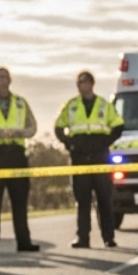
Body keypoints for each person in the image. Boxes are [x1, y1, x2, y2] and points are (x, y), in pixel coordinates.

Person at [0, 67, 40, 254]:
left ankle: (24, 241)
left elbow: (32, 127)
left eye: (5, 77)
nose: (2, 81)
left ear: (10, 80)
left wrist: (19, 133)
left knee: (20, 200)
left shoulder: (20, 103)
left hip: (16, 154)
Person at [53, 71, 124, 248]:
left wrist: (104, 142)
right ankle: (82, 238)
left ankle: (109, 237)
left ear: (92, 84)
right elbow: (59, 127)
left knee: (104, 199)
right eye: (79, 83)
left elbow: (118, 126)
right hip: (80, 157)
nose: (81, 85)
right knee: (82, 200)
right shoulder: (71, 105)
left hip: (100, 156)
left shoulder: (103, 105)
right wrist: (70, 145)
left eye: (84, 82)